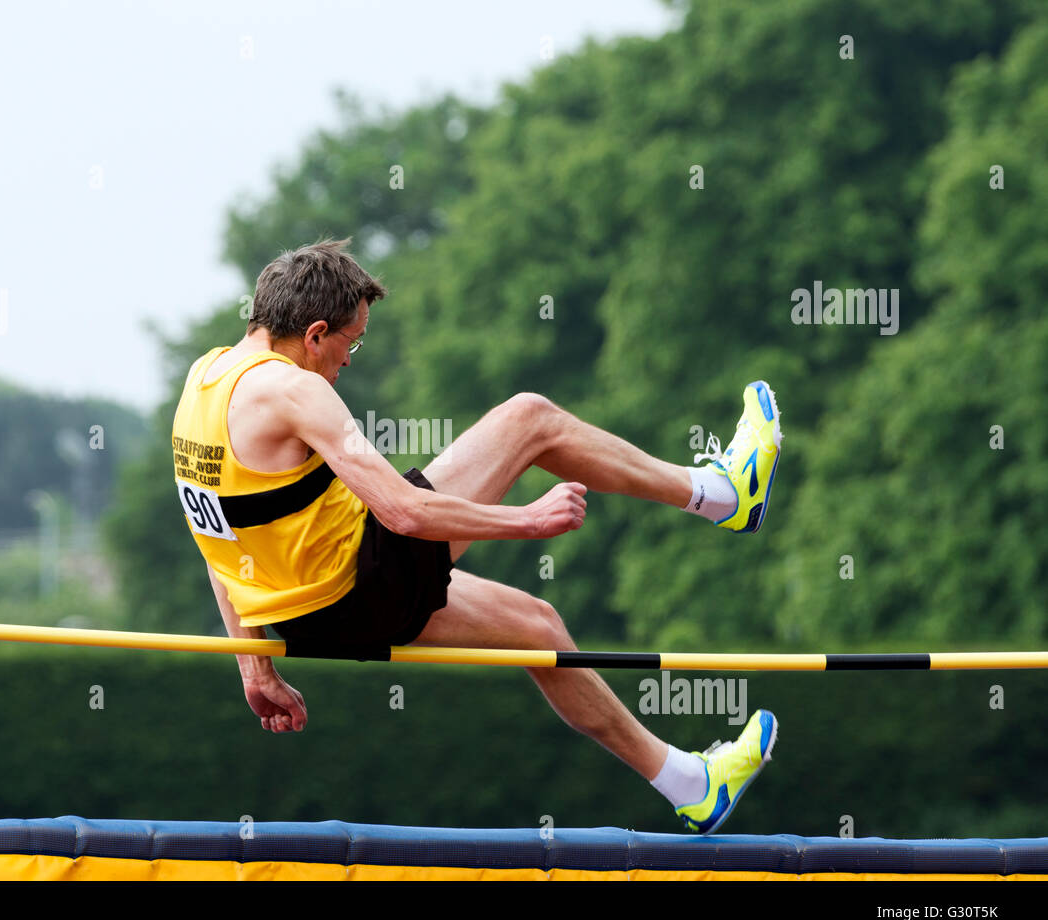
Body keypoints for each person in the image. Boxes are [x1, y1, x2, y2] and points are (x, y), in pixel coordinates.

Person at [171, 239, 781, 834]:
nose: (349, 361)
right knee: (529, 418)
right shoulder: (295, 390)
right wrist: (528, 520)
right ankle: (724, 492)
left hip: (315, 614)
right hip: (362, 582)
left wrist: (253, 669)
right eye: (350, 343)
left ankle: (692, 787)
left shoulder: (204, 382)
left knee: (537, 627)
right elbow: (405, 512)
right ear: (314, 334)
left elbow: (218, 542)